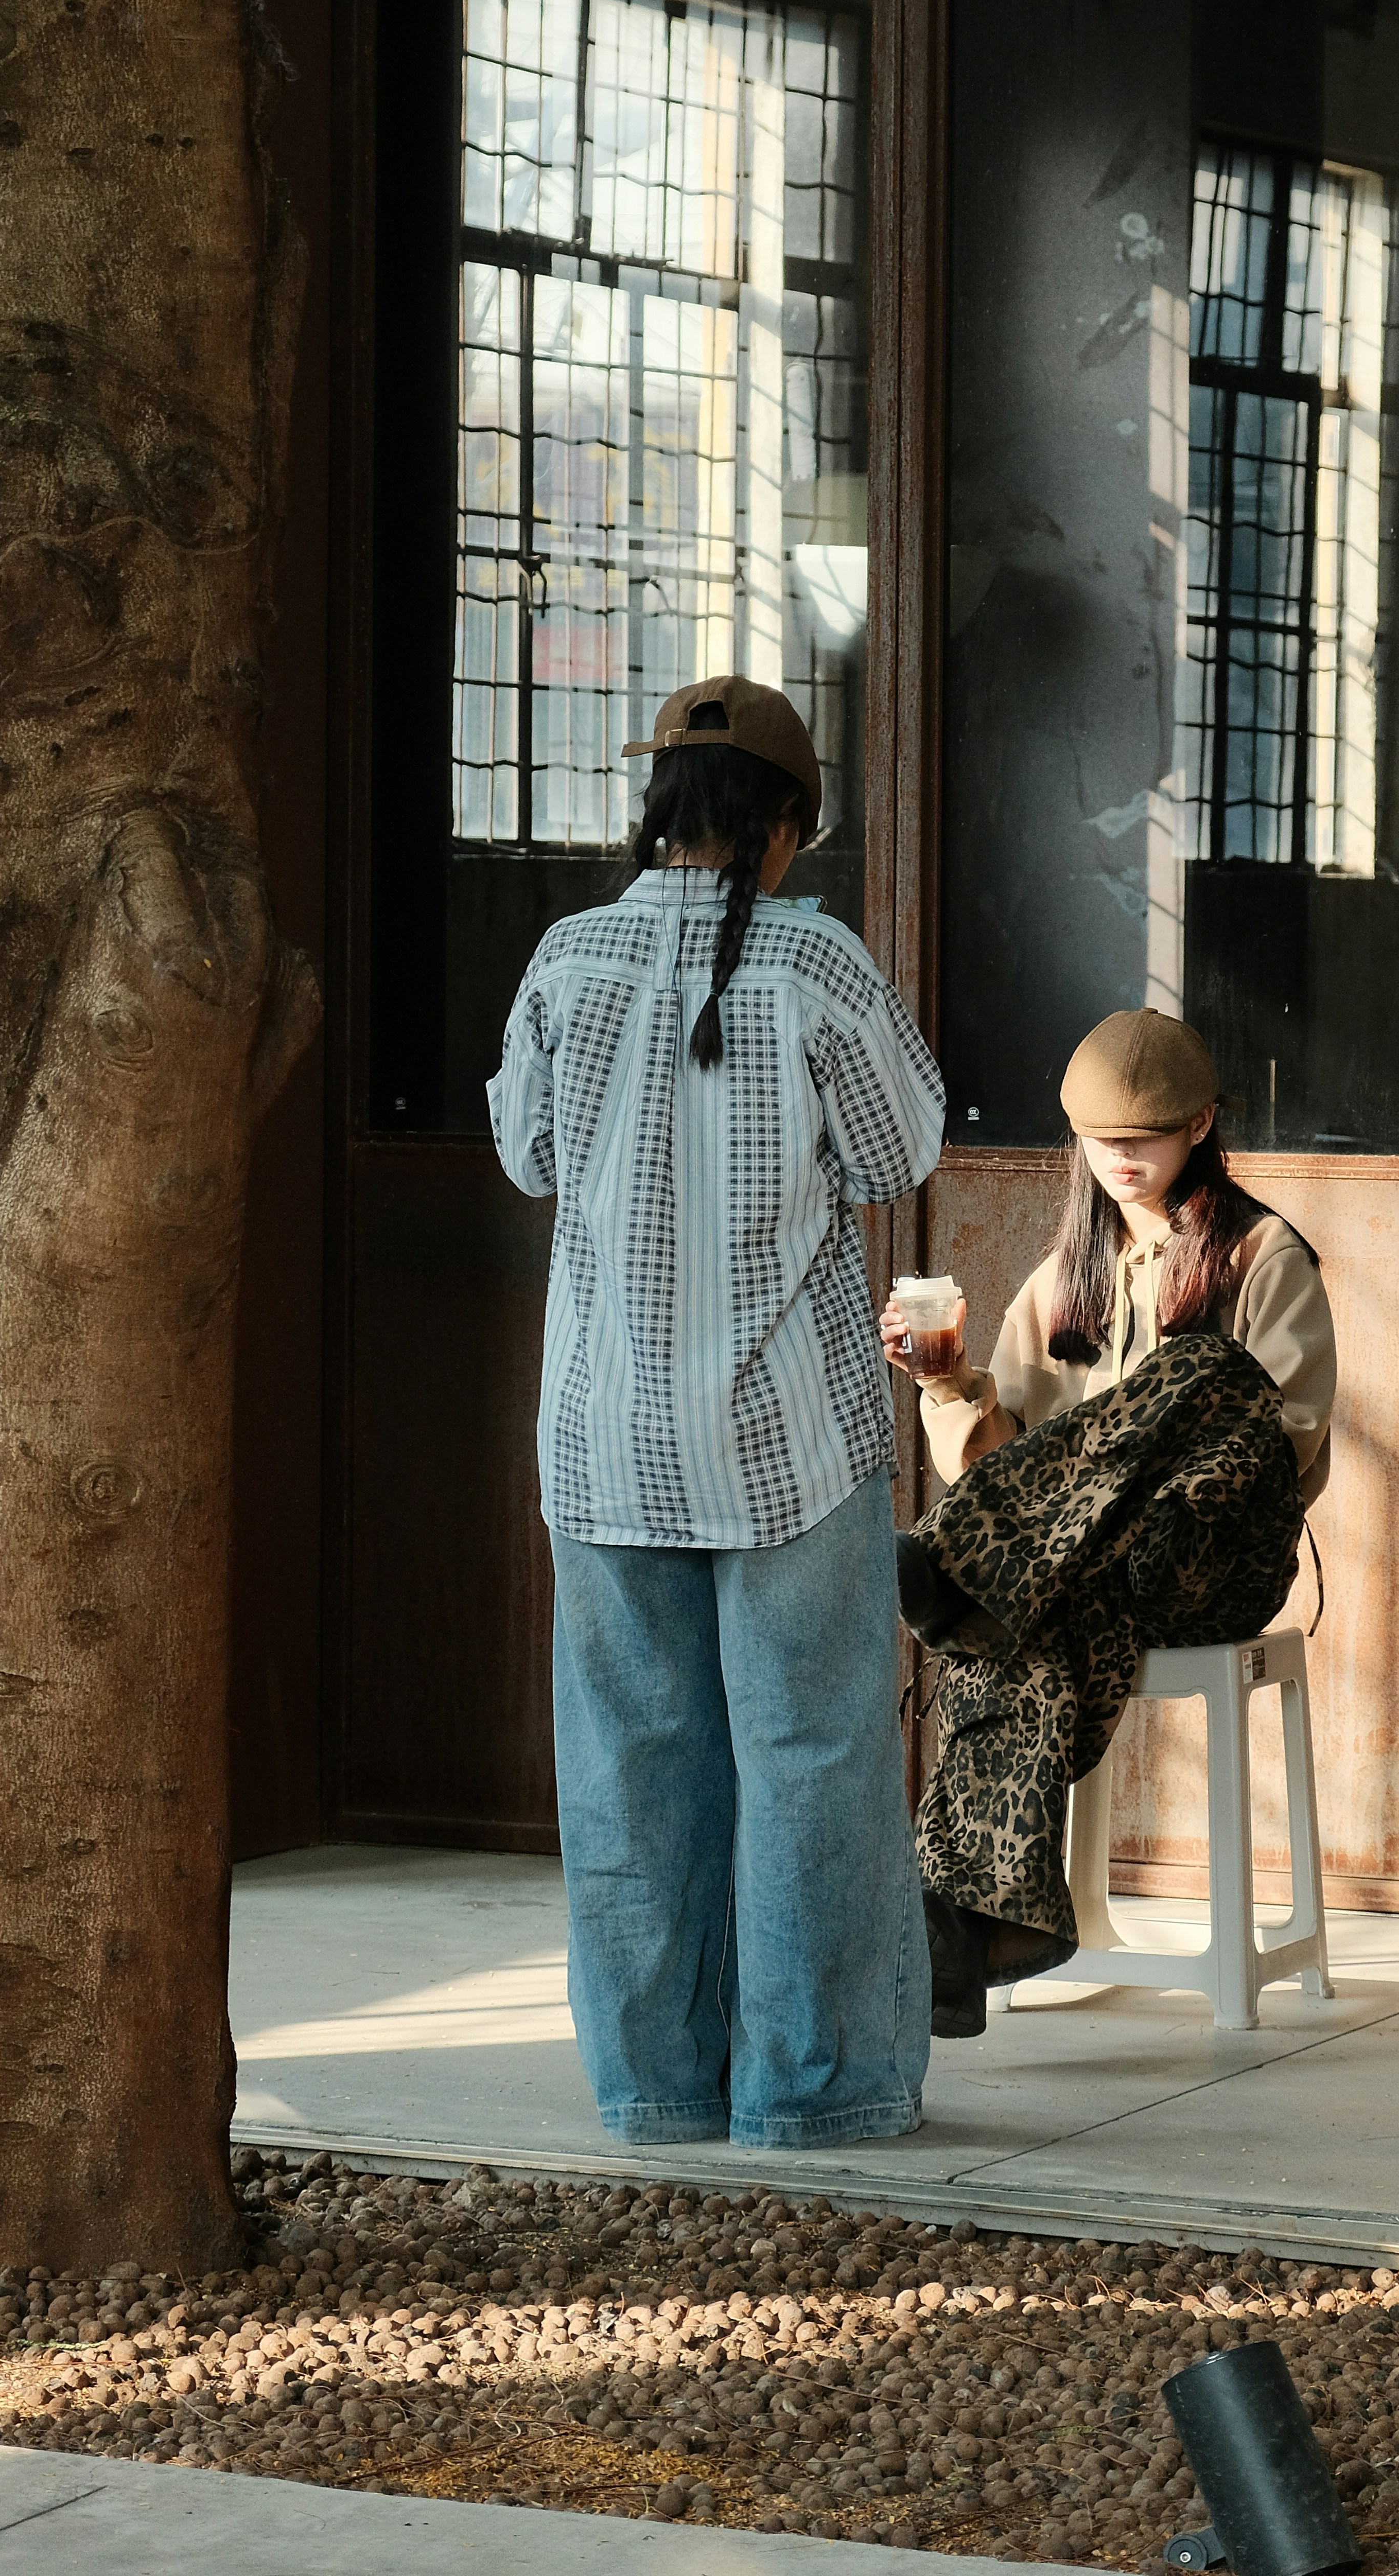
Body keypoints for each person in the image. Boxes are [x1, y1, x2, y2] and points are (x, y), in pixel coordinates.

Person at [490, 674, 944, 2147]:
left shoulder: (568, 958)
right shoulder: (818, 971)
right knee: (811, 1760)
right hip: (790, 1440)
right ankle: (814, 2093)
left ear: (655, 817)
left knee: (630, 1769)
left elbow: (527, 1152)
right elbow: (898, 1153)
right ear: (790, 829)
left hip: (604, 1433)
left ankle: (654, 2090)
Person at [880, 1008, 1336, 2036]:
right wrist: (952, 1384)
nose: (1122, 1159)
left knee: (1205, 1370)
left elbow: (1281, 1454)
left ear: (1203, 1124)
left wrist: (1126, 1480)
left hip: (1214, 1557)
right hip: (1082, 1577)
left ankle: (955, 1573)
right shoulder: (1062, 1282)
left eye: (1147, 1139)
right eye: (1101, 1142)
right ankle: (979, 1921)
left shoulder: (1266, 1257)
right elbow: (1004, 1471)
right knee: (1021, 1631)